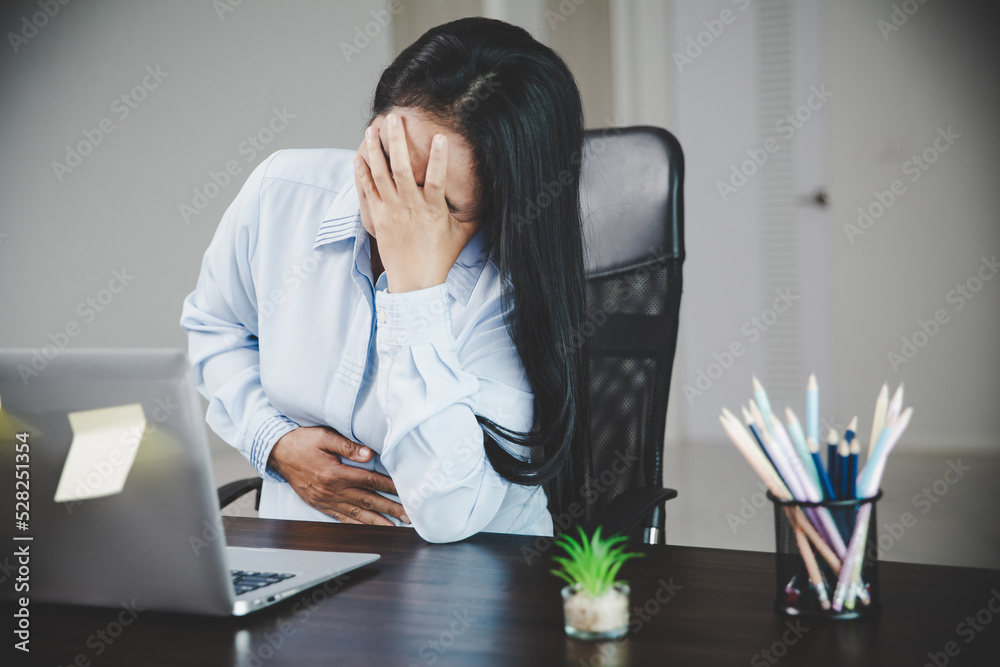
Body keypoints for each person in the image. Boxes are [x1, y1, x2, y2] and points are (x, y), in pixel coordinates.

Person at [180, 17, 590, 543]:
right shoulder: (279, 193)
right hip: (303, 552)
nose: (397, 206)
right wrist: (272, 440)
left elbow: (447, 513)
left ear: (497, 205)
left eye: (439, 202)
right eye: (387, 163)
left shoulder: (510, 291)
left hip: (476, 574)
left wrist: (415, 289)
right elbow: (216, 326)